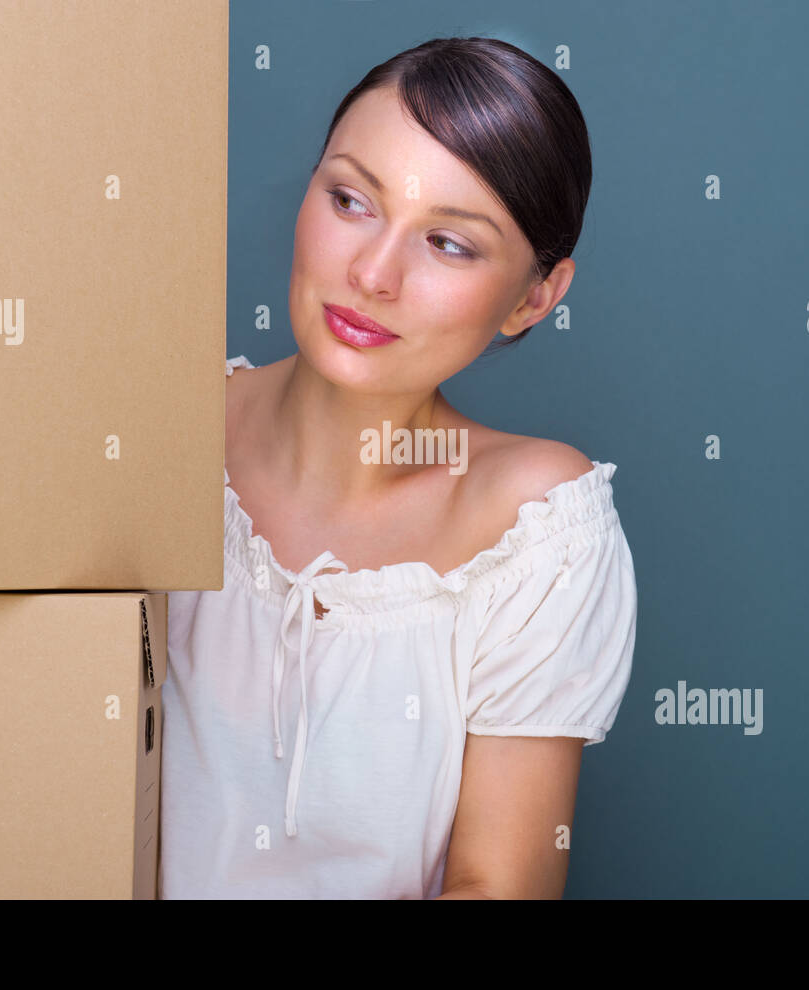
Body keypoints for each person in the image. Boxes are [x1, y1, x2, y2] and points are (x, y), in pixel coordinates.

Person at [160, 36, 637, 899]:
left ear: (535, 296)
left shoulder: (538, 530)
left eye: (449, 244)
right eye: (351, 199)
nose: (372, 273)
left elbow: (498, 886)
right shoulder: (153, 429)